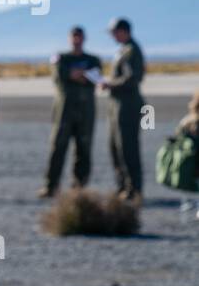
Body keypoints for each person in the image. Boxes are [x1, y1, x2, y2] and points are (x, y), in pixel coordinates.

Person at [38, 25, 101, 198]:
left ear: (84, 38)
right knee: (58, 147)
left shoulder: (93, 59)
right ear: (69, 38)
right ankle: (51, 186)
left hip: (85, 112)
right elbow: (61, 76)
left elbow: (95, 77)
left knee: (84, 149)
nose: (77, 39)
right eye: (74, 36)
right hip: (64, 112)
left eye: (79, 36)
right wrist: (79, 75)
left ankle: (79, 187)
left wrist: (77, 75)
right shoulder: (61, 58)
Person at [99, 17, 146, 205]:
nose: (112, 36)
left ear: (123, 31)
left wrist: (110, 84)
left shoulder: (132, 51)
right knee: (115, 148)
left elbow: (133, 78)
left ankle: (134, 189)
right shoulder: (123, 50)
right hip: (116, 105)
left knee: (128, 148)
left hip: (128, 106)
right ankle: (123, 187)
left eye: (114, 32)